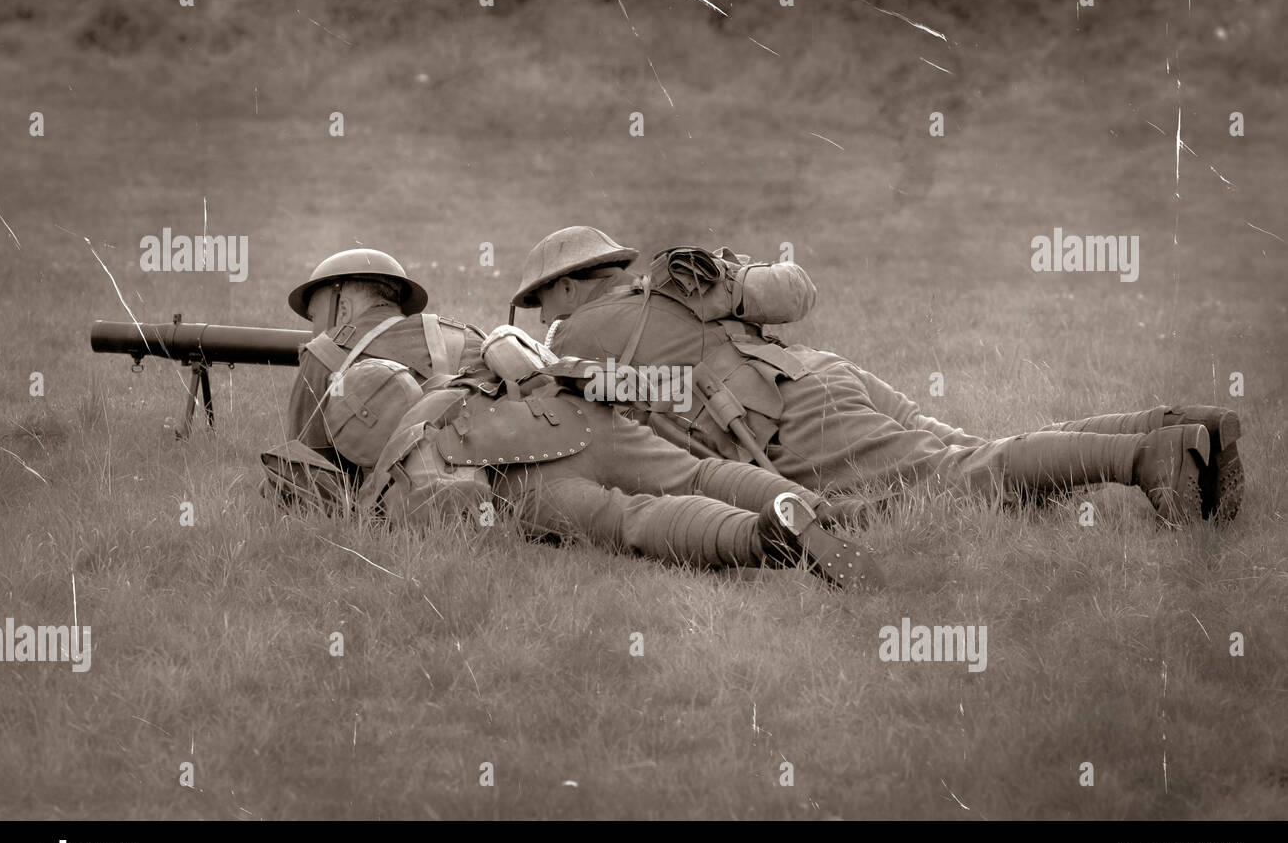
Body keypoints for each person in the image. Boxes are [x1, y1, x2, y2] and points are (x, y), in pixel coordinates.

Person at [513, 227, 1243, 526]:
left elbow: (589, 420)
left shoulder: (574, 337)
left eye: (544, 298)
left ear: (569, 287)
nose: (545, 313)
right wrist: (731, 289)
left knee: (957, 474)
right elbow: (795, 292)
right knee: (976, 453)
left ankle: (1145, 459)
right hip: (819, 374)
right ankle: (1181, 424)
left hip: (779, 418)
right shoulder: (676, 283)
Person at [261, 248, 884, 592]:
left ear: (340, 297)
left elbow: (312, 466)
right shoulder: (456, 331)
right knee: (700, 475)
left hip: (503, 458)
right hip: (569, 404)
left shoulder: (326, 359)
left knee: (631, 520)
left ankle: (766, 539)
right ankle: (818, 510)